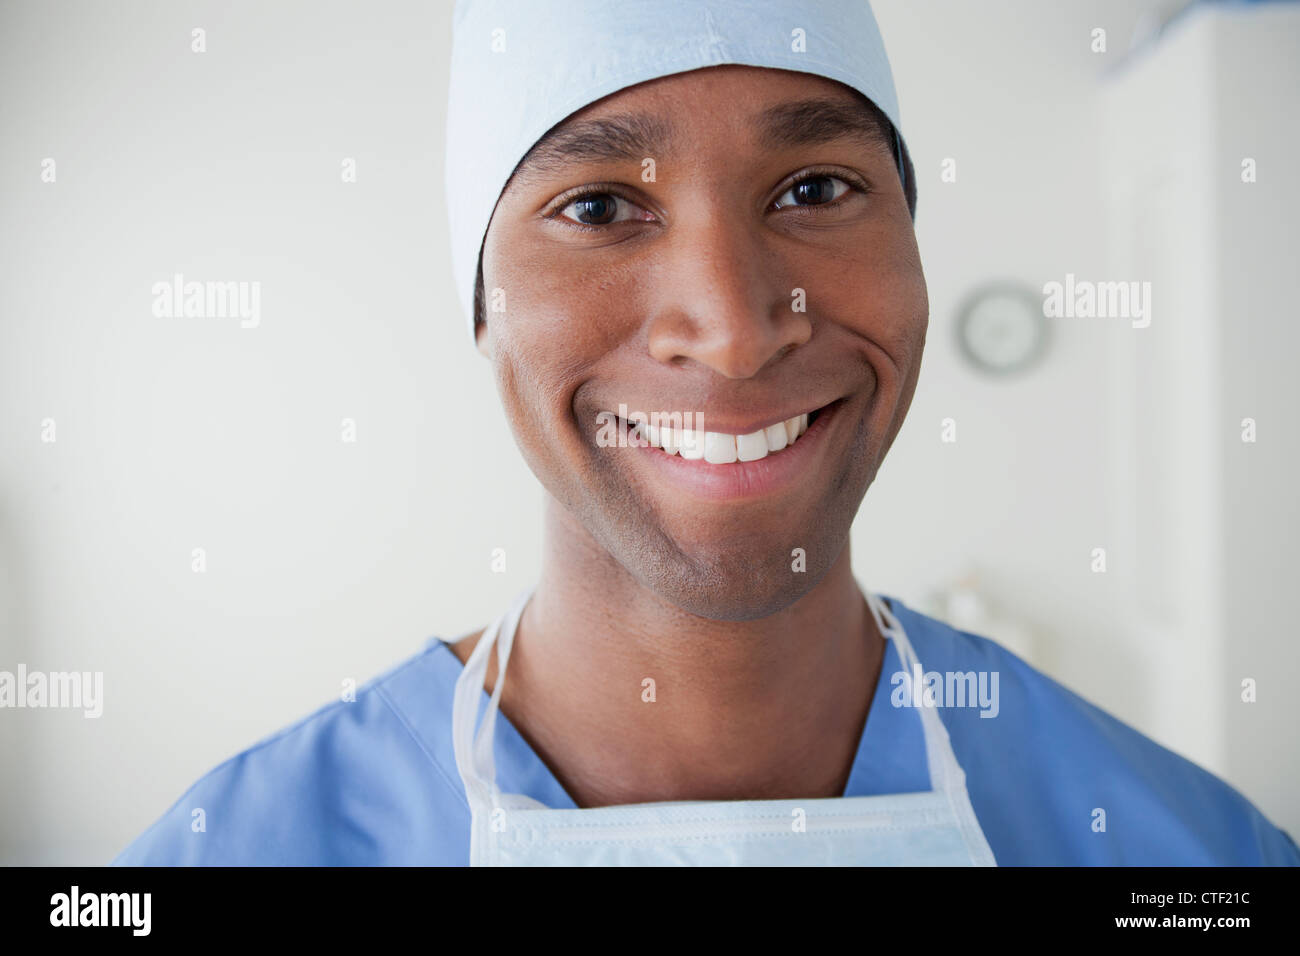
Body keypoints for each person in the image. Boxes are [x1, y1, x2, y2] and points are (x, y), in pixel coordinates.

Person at [114, 0, 1298, 866]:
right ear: (479, 305)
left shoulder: (1186, 854)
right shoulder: (234, 851)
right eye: (598, 207)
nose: (734, 331)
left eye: (815, 189)